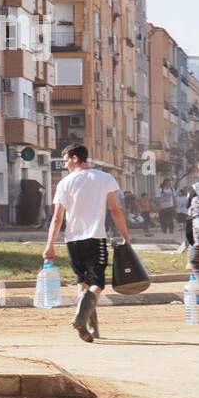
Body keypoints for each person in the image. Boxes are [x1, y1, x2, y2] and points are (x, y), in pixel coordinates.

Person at [43, 144, 131, 343]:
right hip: (95, 238)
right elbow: (115, 211)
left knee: (84, 284)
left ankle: (93, 330)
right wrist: (126, 236)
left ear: (75, 158)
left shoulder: (64, 183)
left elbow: (57, 219)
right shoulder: (104, 178)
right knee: (97, 284)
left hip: (72, 241)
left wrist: (49, 245)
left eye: (66, 160)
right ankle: (80, 318)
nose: (65, 164)